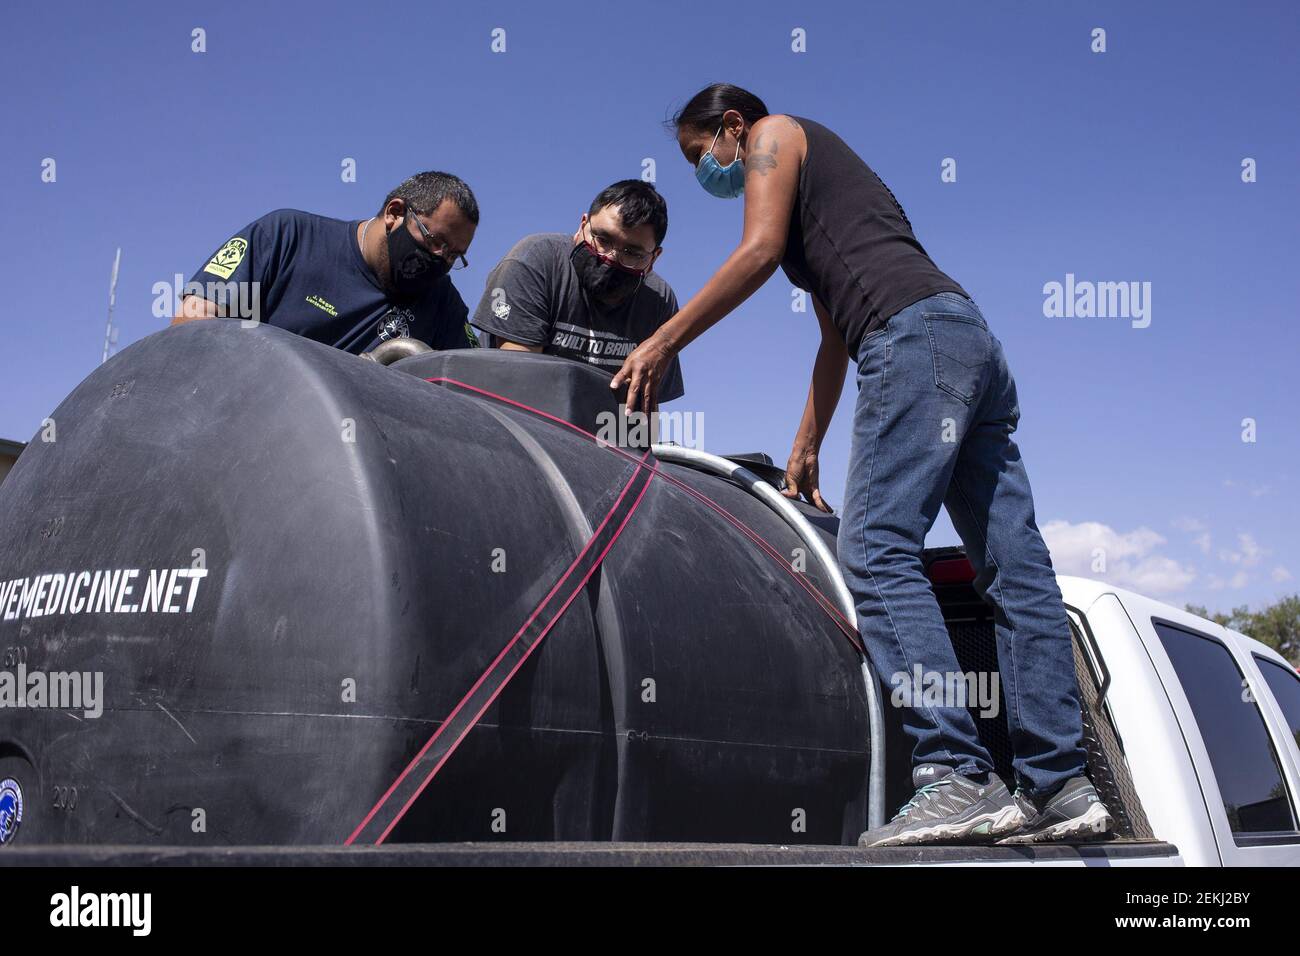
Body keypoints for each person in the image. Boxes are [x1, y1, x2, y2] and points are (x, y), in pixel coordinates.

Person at [611, 83, 1113, 847]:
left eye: (699, 153)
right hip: (966, 340)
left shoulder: (776, 137)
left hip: (914, 340)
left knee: (875, 549)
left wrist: (664, 339)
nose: (703, 173)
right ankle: (1060, 784)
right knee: (1015, 567)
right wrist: (807, 441)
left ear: (733, 127)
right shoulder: (835, 202)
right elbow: (832, 338)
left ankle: (956, 773)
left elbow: (756, 251)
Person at [171, 171, 481, 354]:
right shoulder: (286, 237)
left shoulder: (443, 304)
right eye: (435, 241)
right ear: (395, 213)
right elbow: (190, 327)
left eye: (454, 255)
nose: (441, 259)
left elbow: (471, 385)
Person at [471, 180, 684, 402]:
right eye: (602, 239)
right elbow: (516, 385)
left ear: (653, 258)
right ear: (582, 226)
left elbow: (644, 409)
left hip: (601, 432)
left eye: (631, 252)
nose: (610, 257)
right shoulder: (535, 262)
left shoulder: (658, 302)